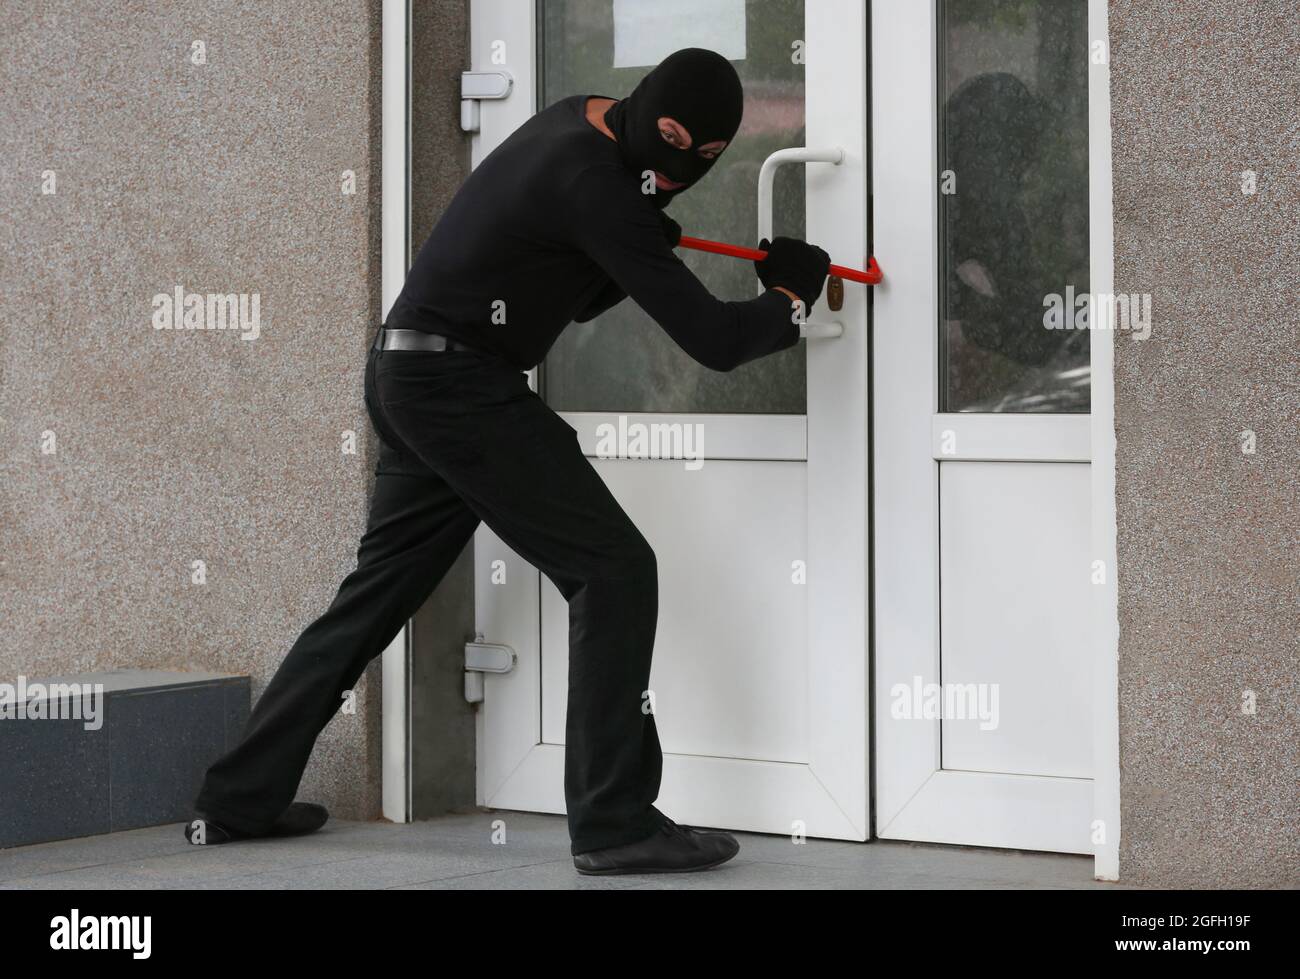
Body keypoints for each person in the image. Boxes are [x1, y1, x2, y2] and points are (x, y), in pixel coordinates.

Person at [185, 47, 831, 875]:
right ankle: (614, 822)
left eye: (698, 162)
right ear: (644, 113)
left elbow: (572, 282)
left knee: (376, 595)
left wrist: (637, 245)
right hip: (457, 388)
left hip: (411, 371)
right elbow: (712, 340)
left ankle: (238, 796)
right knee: (614, 569)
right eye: (667, 148)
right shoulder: (596, 181)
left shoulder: (581, 124)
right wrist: (790, 298)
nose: (673, 177)